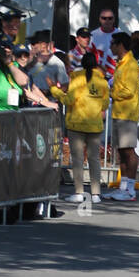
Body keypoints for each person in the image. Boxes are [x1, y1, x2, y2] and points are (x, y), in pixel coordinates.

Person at [50, 50, 109, 204]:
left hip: (76, 123)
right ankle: (96, 194)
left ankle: (78, 192)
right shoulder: (102, 81)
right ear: (96, 64)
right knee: (94, 159)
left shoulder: (76, 78)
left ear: (82, 63)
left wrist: (54, 90)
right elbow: (105, 104)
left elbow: (68, 100)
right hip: (95, 124)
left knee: (77, 159)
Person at [0, 34, 58, 113]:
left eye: (9, 47)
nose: (6, 50)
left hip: (7, 116)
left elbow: (25, 83)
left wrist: (8, 63)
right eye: (3, 47)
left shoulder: (14, 66)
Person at [107, 31, 139, 202]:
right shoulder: (121, 63)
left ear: (120, 45)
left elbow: (128, 91)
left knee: (129, 151)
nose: (110, 46)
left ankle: (130, 189)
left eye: (112, 43)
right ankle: (122, 187)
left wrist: (111, 92)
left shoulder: (131, 64)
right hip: (119, 112)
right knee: (121, 151)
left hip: (127, 113)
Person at [26, 30, 69, 96]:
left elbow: (65, 86)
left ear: (43, 45)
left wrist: (51, 90)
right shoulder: (28, 59)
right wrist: (30, 59)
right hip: (29, 100)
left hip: (48, 102)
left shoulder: (57, 63)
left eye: (34, 43)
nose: (31, 46)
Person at [90, 8, 118, 81]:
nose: (107, 21)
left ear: (114, 19)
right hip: (96, 76)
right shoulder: (93, 35)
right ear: (100, 19)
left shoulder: (120, 34)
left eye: (110, 18)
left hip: (115, 76)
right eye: (104, 18)